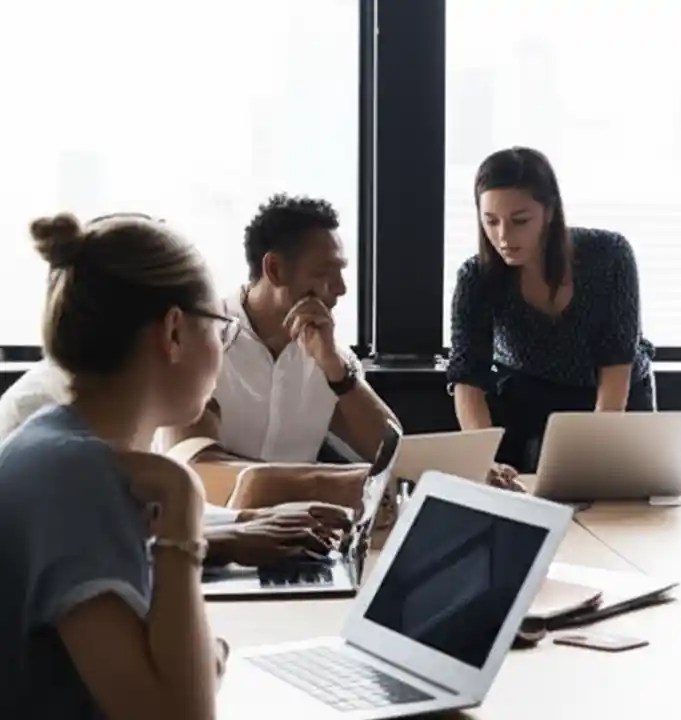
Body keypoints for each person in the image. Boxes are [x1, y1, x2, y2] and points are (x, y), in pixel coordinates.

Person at [0, 212, 225, 718]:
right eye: (218, 327)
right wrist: (185, 506)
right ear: (174, 331)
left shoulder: (47, 444)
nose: (221, 350)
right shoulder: (75, 477)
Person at [165, 194, 399, 507]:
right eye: (324, 272)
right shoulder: (200, 341)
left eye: (341, 271)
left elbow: (390, 451)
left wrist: (337, 372)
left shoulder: (330, 354)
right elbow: (196, 467)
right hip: (204, 531)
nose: (341, 288)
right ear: (274, 269)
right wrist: (319, 484)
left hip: (298, 533)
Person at [0, 359, 350, 567]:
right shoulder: (57, 436)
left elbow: (116, 523)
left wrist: (245, 520)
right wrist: (214, 541)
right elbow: (85, 552)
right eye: (218, 328)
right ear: (174, 332)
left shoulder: (95, 413)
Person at [448, 147, 656, 477]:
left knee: (617, 492)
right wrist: (483, 458)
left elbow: (617, 357)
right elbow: (467, 376)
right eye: (491, 221)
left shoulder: (610, 256)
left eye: (520, 221)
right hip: (529, 403)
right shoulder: (476, 277)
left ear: (549, 211)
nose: (503, 236)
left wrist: (599, 447)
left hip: (617, 398)